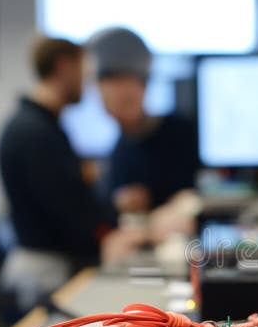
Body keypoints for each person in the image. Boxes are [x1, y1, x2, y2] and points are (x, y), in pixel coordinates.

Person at [0, 36, 141, 310]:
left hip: (50, 266)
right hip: (44, 274)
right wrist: (110, 229)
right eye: (83, 72)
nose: (87, 83)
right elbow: (69, 211)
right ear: (64, 67)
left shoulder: (44, 126)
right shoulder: (34, 133)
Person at [86, 27, 201, 215]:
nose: (116, 103)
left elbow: (205, 190)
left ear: (142, 87)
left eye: (126, 98)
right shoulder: (121, 149)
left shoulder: (183, 134)